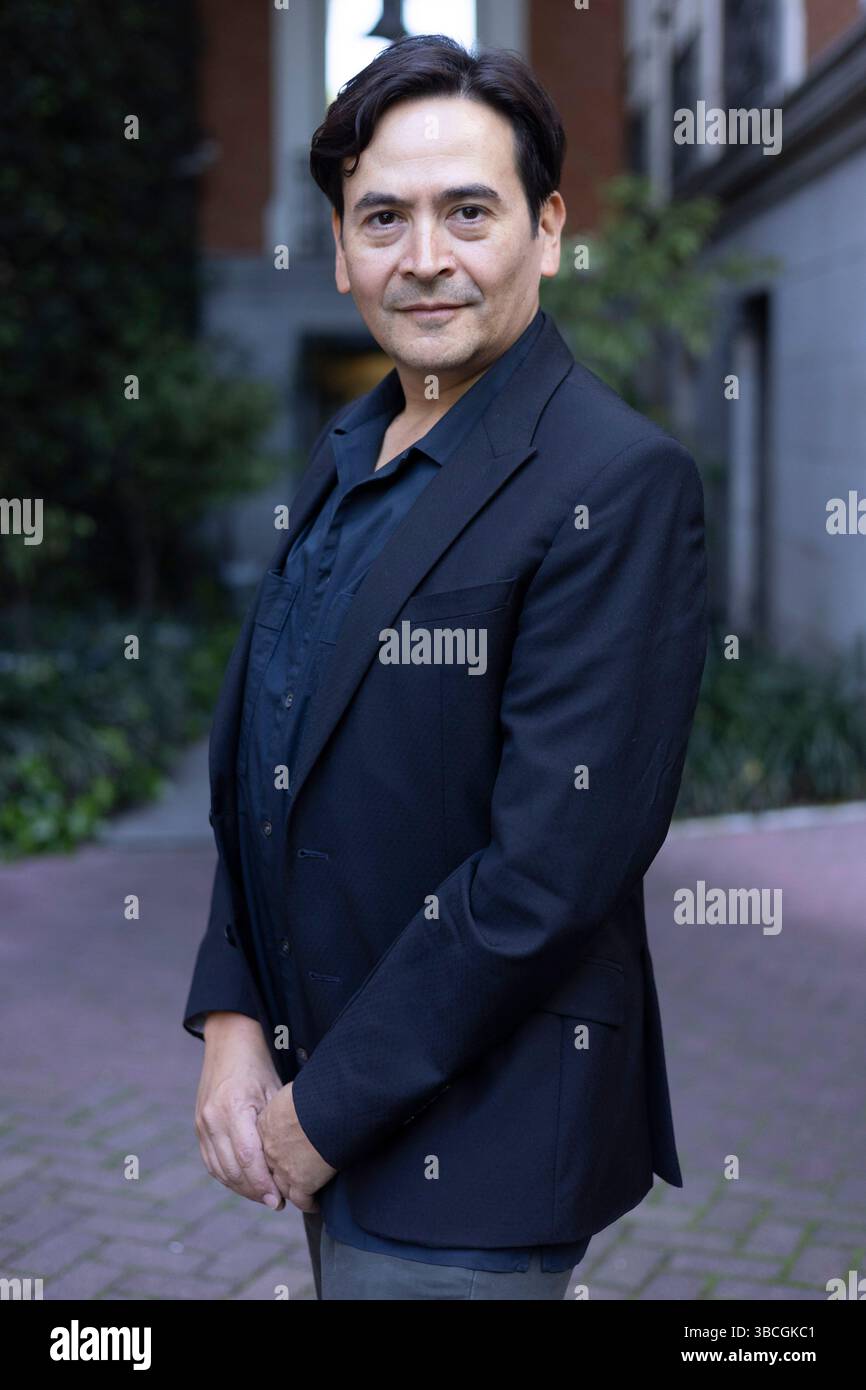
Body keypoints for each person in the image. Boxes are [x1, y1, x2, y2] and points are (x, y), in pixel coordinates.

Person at [184, 34, 708, 1301]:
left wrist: (319, 1119)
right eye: (383, 217)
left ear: (546, 223)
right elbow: (273, 753)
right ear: (339, 245)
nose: (423, 257)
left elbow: (545, 873)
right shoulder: (353, 444)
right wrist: (233, 1021)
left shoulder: (611, 482)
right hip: (314, 1098)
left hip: (473, 1156)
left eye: (465, 211)